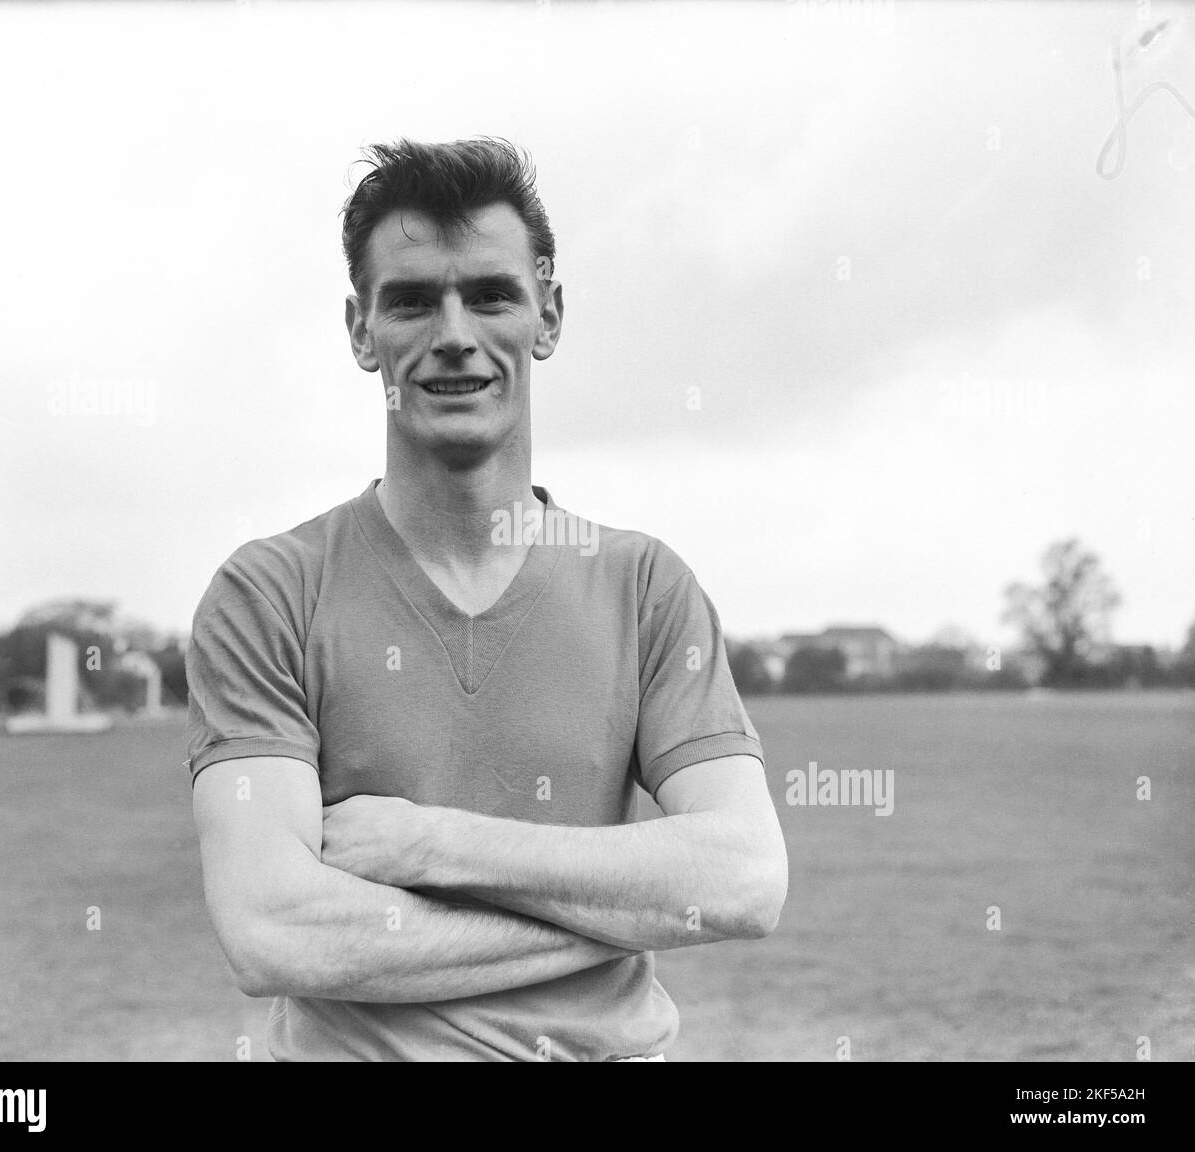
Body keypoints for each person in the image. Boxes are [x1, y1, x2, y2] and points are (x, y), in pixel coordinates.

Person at [185, 137, 788, 1061]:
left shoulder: (644, 588)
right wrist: (621, 914)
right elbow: (274, 931)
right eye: (414, 301)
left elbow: (745, 878)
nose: (455, 335)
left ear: (548, 316)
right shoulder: (268, 593)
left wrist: (431, 848)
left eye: (492, 294)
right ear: (361, 331)